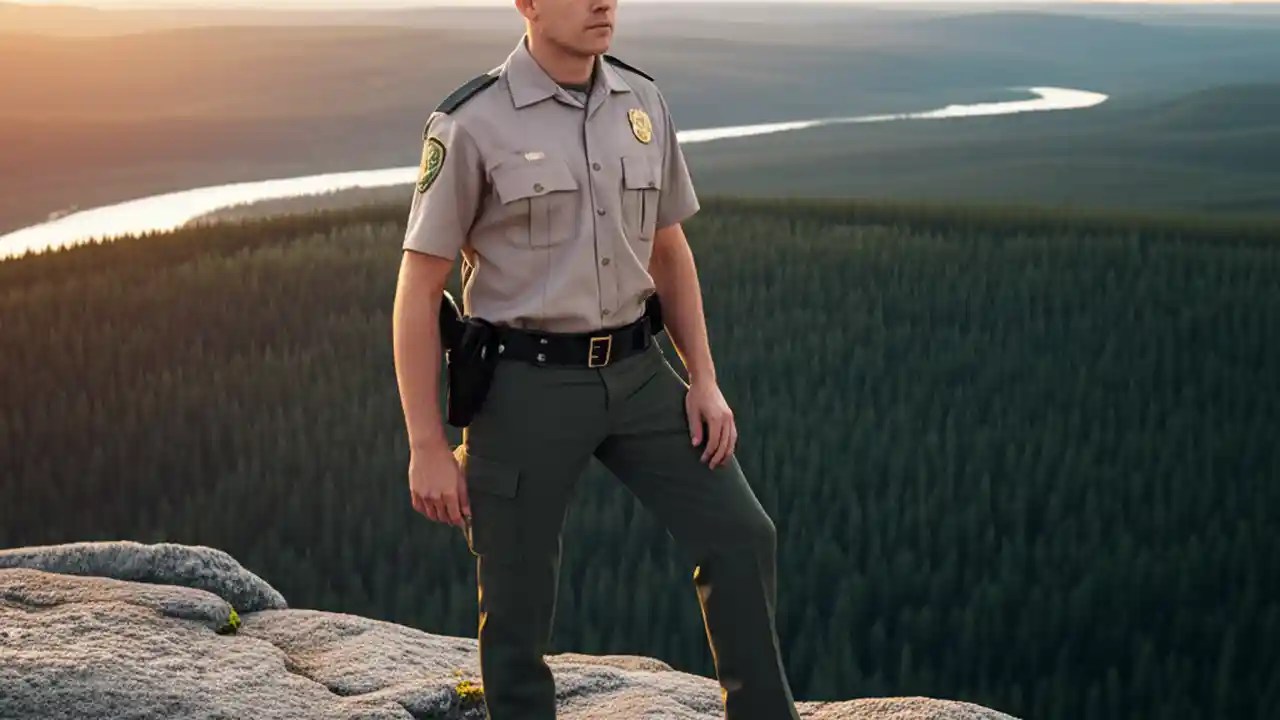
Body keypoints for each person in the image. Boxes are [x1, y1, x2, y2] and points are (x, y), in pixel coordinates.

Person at [391, 2, 801, 718]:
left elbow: (669, 250)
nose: (603, 2)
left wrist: (703, 379)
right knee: (517, 610)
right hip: (524, 388)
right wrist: (427, 444)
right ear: (528, 3)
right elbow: (417, 291)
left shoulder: (642, 102)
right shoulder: (471, 122)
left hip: (641, 374)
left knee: (741, 534)